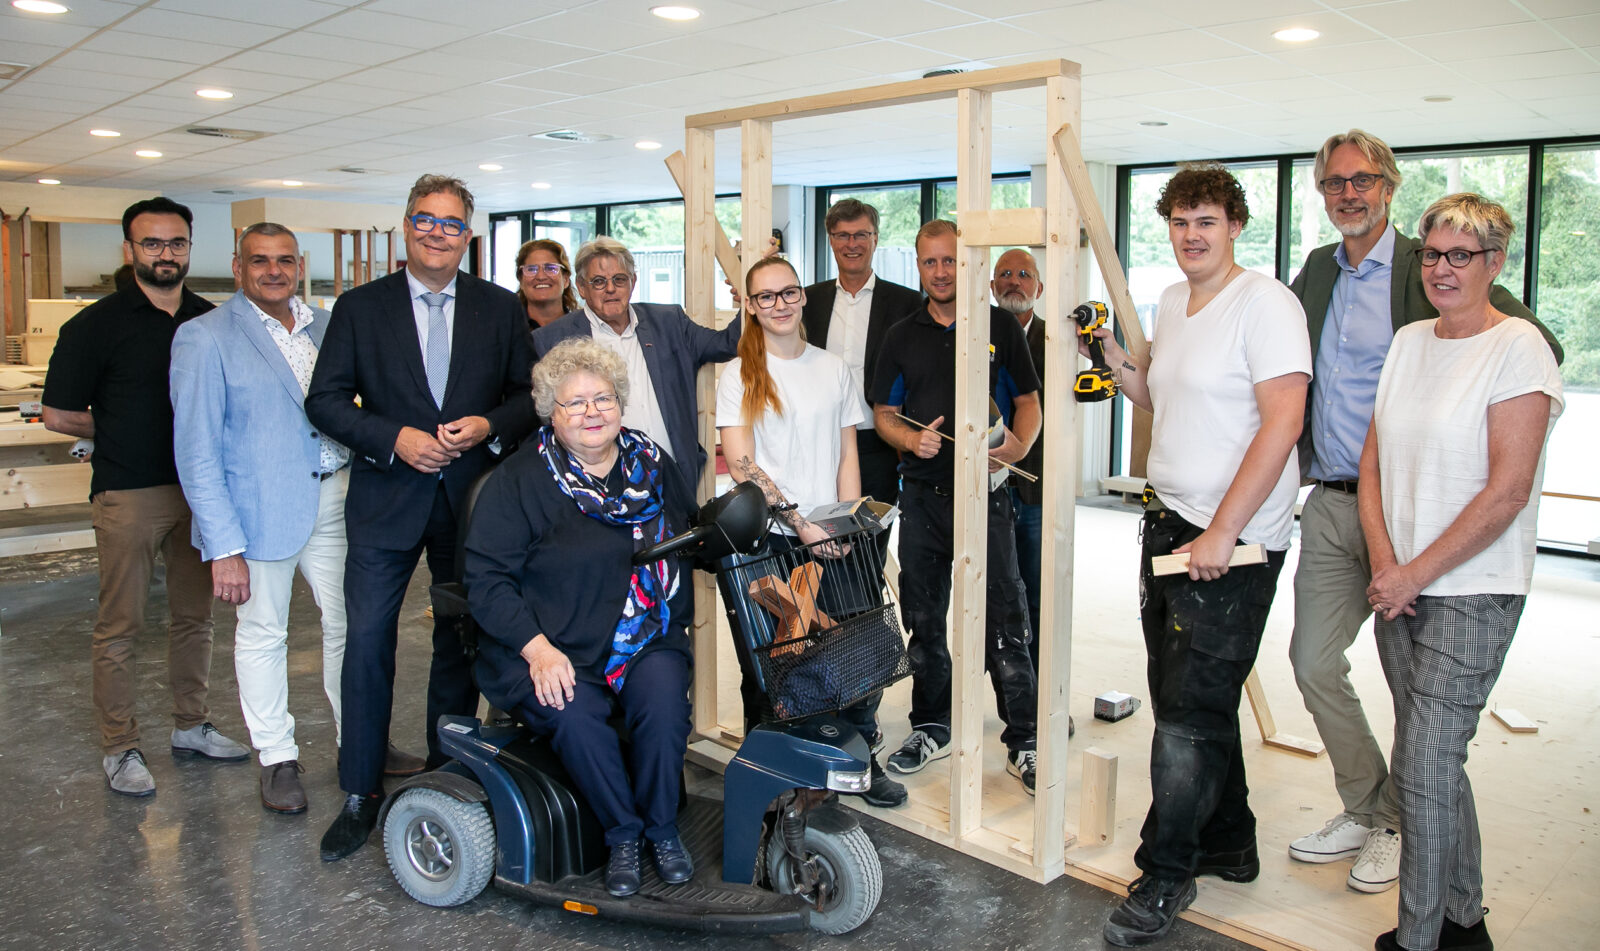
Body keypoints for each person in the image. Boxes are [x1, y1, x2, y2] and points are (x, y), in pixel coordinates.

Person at [1285, 130, 1562, 894]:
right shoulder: (1317, 269)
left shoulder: (1429, 261)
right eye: (1335, 181)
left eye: (1363, 179)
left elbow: (1531, 346)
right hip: (1337, 500)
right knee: (1311, 662)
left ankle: (1405, 823)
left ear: (1389, 186)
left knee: (1425, 710)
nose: (1349, 193)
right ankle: (1369, 802)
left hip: (1413, 520)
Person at [1088, 164, 1311, 947]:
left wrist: (1224, 531)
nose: (1191, 235)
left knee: (1186, 713)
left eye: (1206, 220)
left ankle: (1167, 869)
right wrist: (1117, 360)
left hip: (1235, 539)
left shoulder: (1268, 305)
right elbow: (1162, 395)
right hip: (1169, 522)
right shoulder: (1175, 301)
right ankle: (1229, 841)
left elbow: (1282, 424)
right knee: (1188, 696)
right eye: (1181, 221)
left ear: (1235, 225)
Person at [306, 174, 539, 861]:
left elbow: (529, 395)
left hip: (470, 502)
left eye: (451, 223)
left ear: (468, 234)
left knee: (460, 639)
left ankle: (449, 773)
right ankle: (362, 790)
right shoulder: (359, 307)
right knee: (369, 639)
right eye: (424, 221)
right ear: (405, 227)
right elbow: (324, 400)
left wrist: (488, 425)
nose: (438, 233)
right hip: (385, 496)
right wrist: (390, 437)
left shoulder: (500, 308)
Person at [1359, 194, 1563, 951]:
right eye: (1432, 254)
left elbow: (1507, 491)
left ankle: (1419, 939)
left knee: (1422, 765)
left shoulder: (1520, 349)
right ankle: (1464, 915)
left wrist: (1415, 571)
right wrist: (1385, 562)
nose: (1442, 269)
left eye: (1460, 256)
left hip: (1474, 589)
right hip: (1399, 585)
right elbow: (1372, 459)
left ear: (1495, 263)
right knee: (1429, 753)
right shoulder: (1411, 340)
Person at [466, 337, 696, 898]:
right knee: (575, 713)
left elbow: (689, 536)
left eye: (603, 398)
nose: (593, 412)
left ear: (620, 403)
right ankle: (622, 834)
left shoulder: (652, 464)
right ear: (551, 412)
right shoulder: (520, 480)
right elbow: (486, 579)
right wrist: (537, 649)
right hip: (556, 641)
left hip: (643, 634)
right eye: (575, 403)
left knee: (664, 704)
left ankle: (662, 830)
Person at [42, 197, 248, 798]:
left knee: (195, 619)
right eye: (152, 243)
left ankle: (192, 726)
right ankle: (120, 744)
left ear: (190, 247)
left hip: (200, 494)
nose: (166, 254)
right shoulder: (94, 326)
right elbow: (58, 413)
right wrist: (120, 429)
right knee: (121, 625)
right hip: (129, 492)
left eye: (176, 243)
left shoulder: (211, 322)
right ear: (130, 249)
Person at [169, 222, 351, 815]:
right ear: (238, 265)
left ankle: (359, 744)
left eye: (284, 260)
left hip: (341, 501)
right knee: (263, 635)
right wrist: (223, 545)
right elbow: (196, 450)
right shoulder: (205, 337)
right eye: (259, 260)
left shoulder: (330, 326)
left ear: (300, 264)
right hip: (258, 513)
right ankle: (277, 759)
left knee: (352, 627)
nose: (273, 270)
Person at [716, 256, 907, 809]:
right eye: (766, 296)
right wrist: (801, 525)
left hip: (836, 533)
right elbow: (742, 460)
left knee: (858, 648)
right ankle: (783, 766)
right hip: (777, 539)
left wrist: (841, 520)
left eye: (789, 293)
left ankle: (858, 753)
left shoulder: (832, 367)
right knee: (786, 660)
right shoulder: (740, 374)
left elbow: (848, 450)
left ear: (803, 297)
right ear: (751, 306)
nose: (779, 304)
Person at [870, 219, 1041, 795]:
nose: (941, 272)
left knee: (1006, 620)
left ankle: (1025, 740)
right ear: (918, 266)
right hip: (922, 501)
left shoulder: (997, 324)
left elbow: (1028, 401)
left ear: (964, 265)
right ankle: (931, 727)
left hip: (986, 501)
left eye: (950, 261)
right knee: (925, 620)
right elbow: (884, 414)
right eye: (930, 262)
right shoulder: (900, 335)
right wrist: (907, 440)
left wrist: (1016, 447)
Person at [534, 236, 741, 495]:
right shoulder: (552, 339)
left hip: (673, 478)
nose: (610, 288)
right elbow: (544, 419)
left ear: (633, 282)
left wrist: (751, 299)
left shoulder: (668, 322)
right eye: (598, 281)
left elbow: (727, 344)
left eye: (619, 279)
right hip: (597, 487)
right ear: (581, 287)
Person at [800, 199, 924, 557]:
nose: (851, 244)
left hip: (878, 444)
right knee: (818, 541)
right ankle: (827, 613)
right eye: (842, 235)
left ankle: (867, 610)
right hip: (818, 441)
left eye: (860, 235)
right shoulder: (810, 300)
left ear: (875, 238)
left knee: (869, 543)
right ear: (831, 239)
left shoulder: (906, 303)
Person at [515, 238, 577, 330]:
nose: (541, 277)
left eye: (550, 268)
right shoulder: (507, 328)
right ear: (521, 280)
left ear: (566, 279)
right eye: (531, 269)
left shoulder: (583, 328)